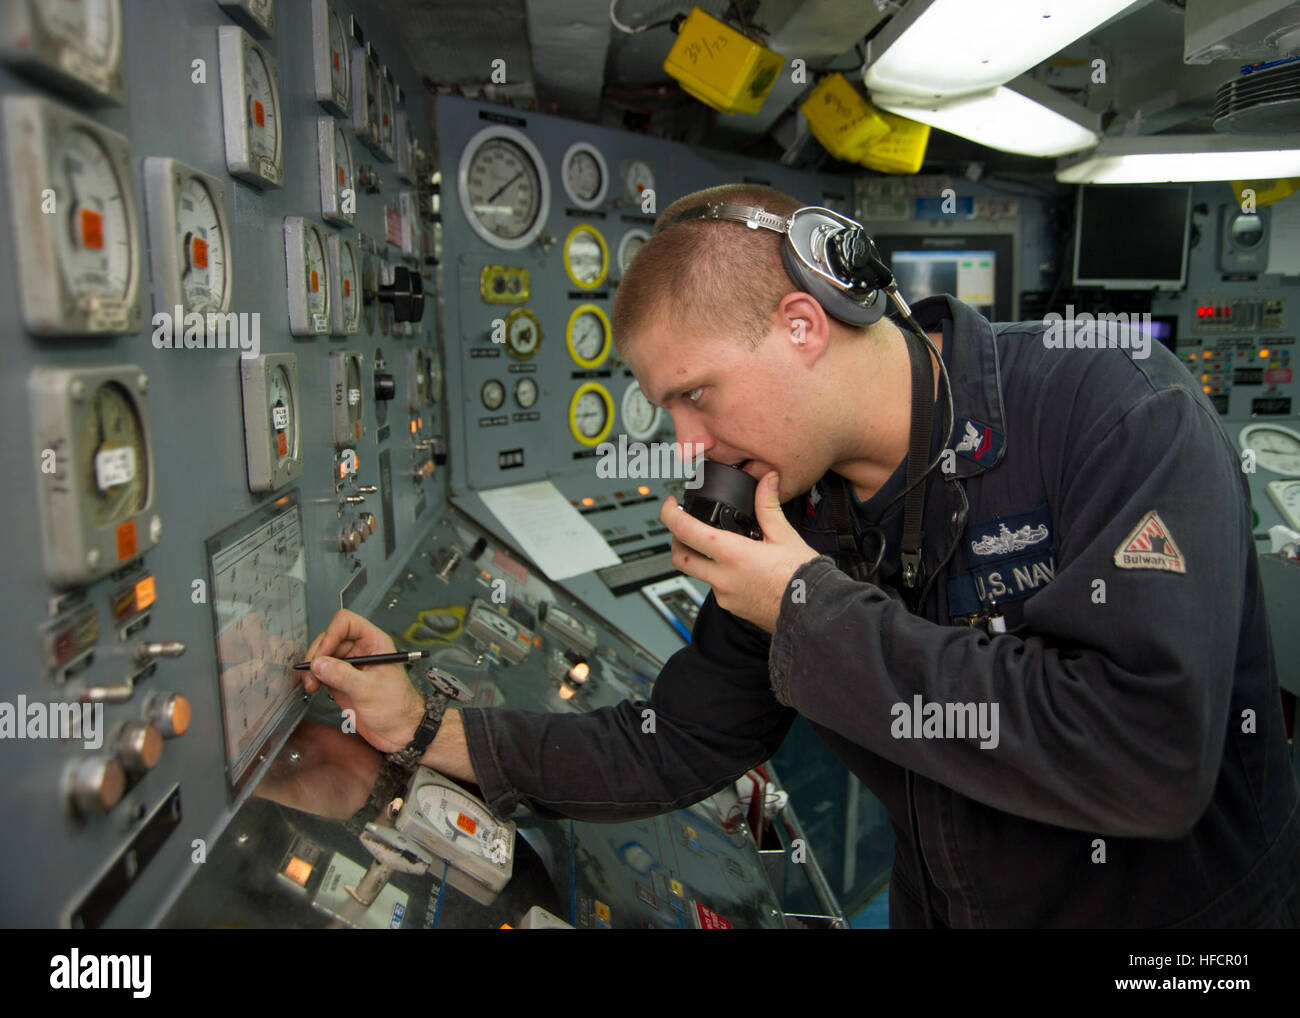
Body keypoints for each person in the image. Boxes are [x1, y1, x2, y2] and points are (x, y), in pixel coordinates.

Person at [269, 183, 1300, 928]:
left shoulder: (1114, 405)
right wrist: (429, 729)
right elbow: (672, 740)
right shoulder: (789, 501)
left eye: (695, 395)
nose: (685, 442)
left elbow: (1146, 754)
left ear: (804, 325)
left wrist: (806, 608)